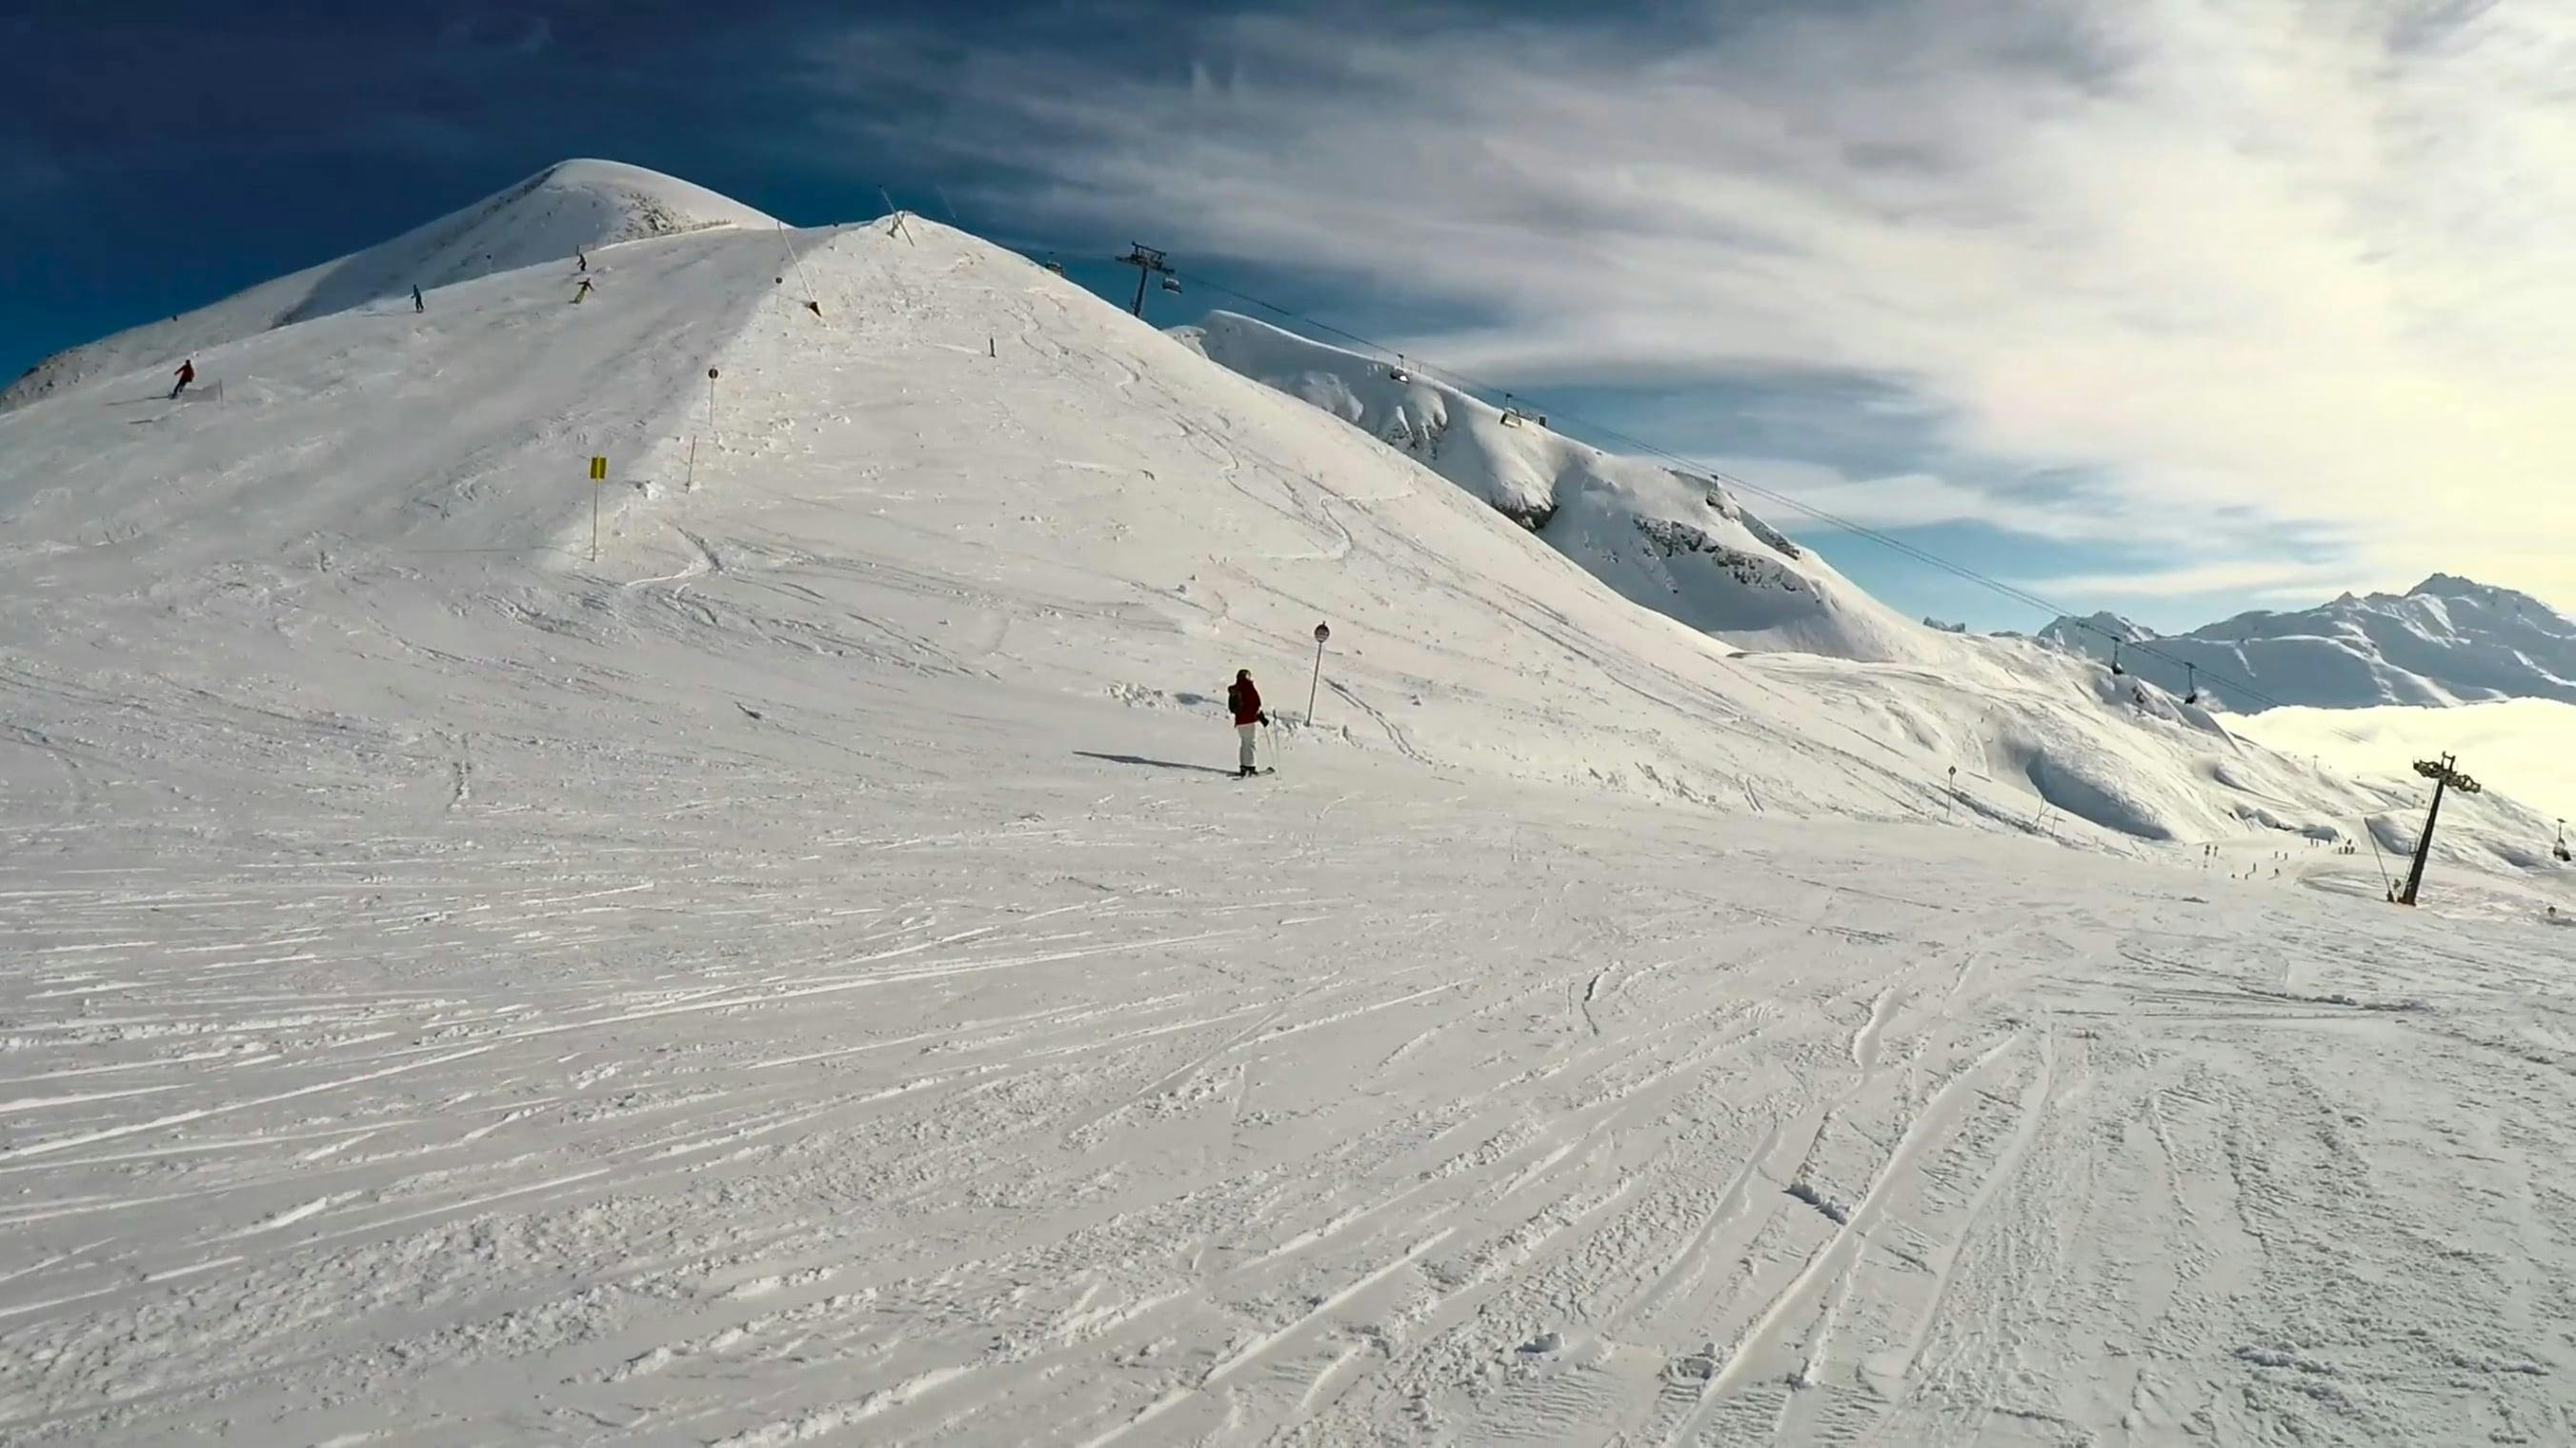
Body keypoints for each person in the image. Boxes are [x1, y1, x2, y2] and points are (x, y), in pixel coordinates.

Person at [1226, 670, 1267, 777]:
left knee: (1244, 743)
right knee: (1251, 743)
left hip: (1239, 721)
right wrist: (1261, 717)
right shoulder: (1248, 687)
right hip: (1249, 720)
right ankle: (1250, 767)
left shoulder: (1236, 688)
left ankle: (1244, 766)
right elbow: (1255, 703)